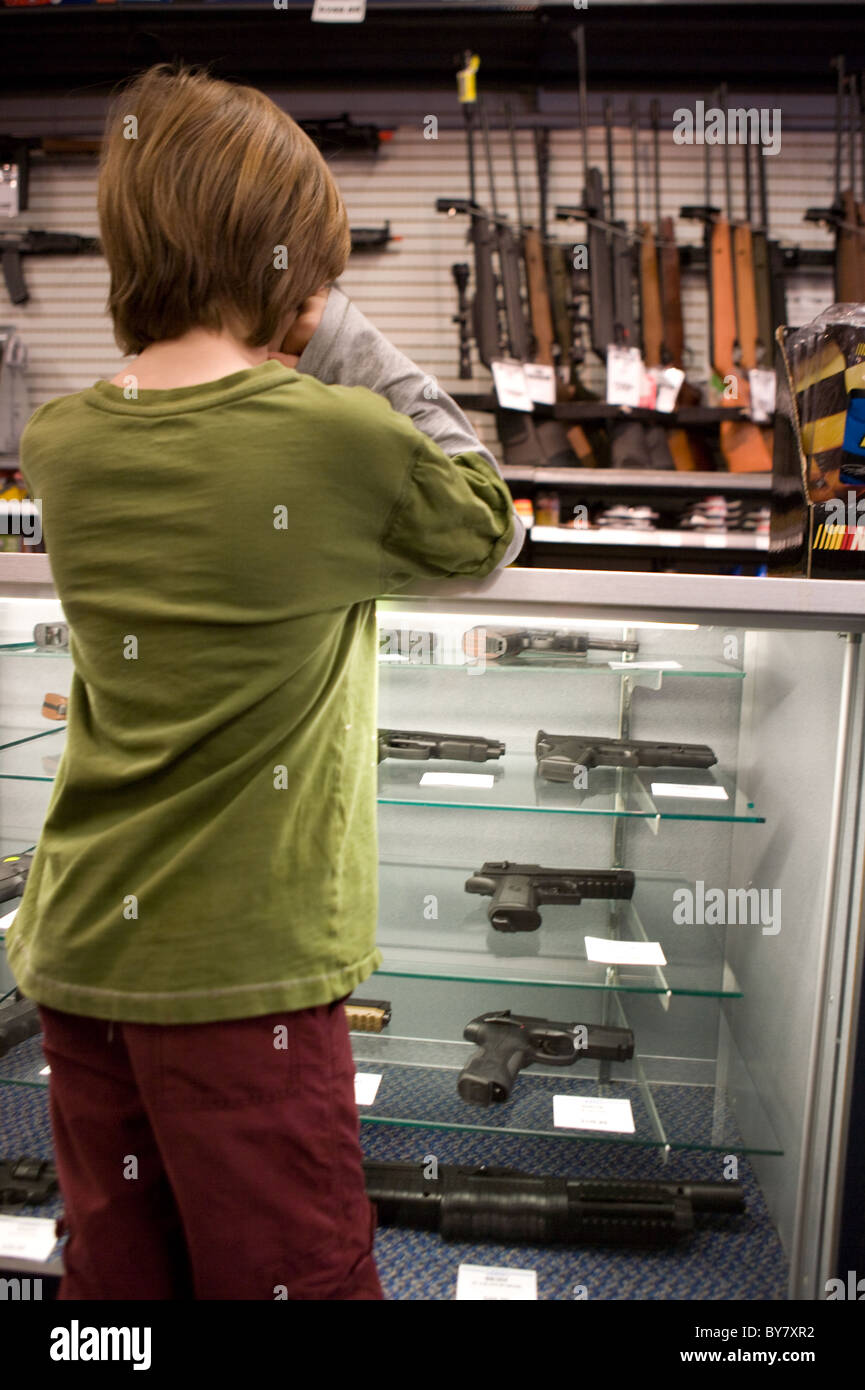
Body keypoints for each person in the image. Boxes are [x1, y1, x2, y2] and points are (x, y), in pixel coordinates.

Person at [4, 62, 523, 1300]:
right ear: (293, 269)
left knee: (116, 1290)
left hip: (80, 961)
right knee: (295, 1280)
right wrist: (335, 332)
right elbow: (487, 519)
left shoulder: (61, 442)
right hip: (243, 986)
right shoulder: (330, 437)